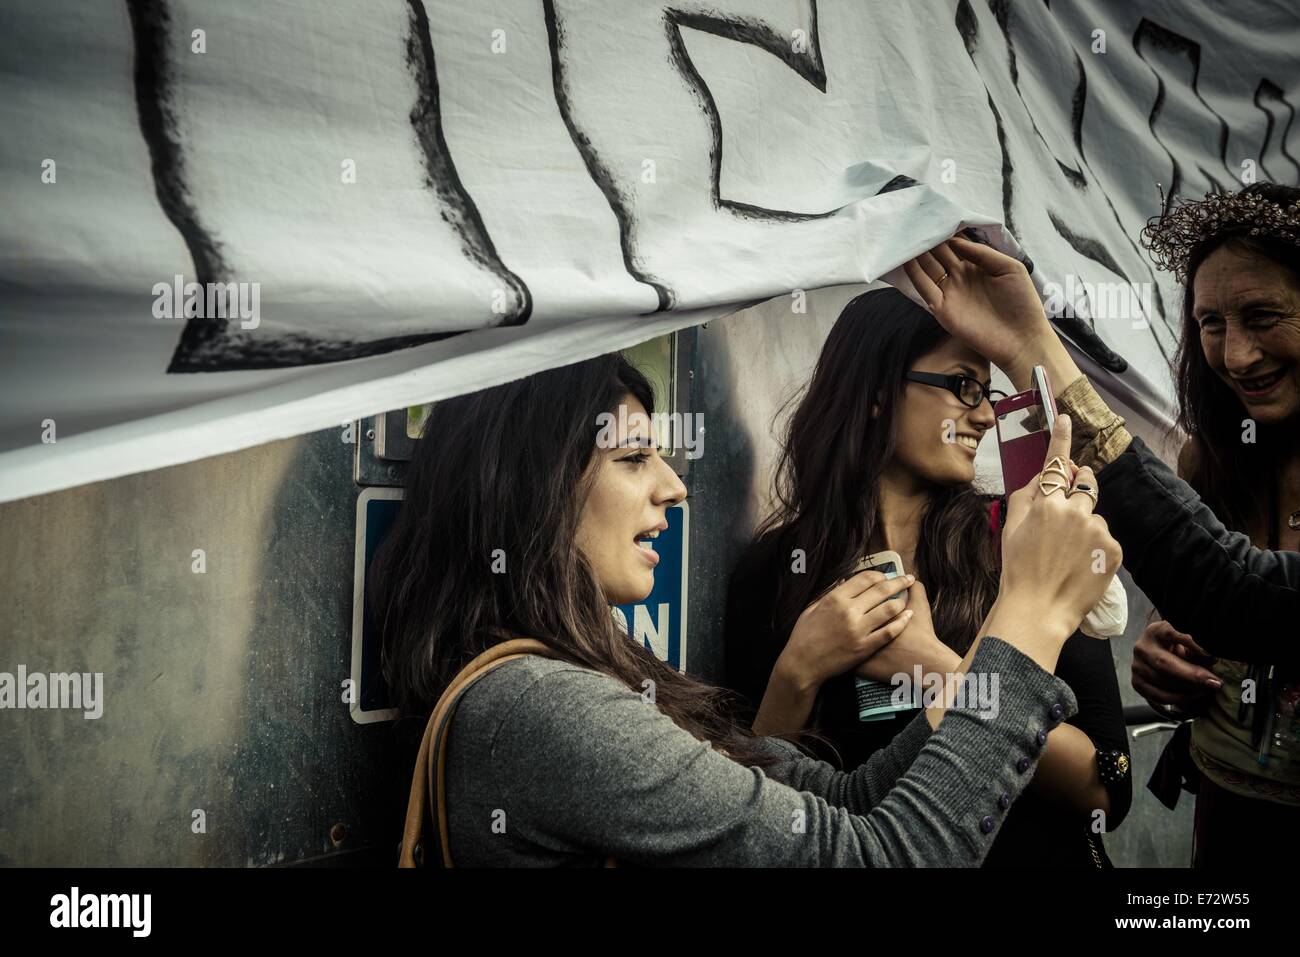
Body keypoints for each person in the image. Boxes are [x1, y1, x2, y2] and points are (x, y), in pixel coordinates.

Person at [370, 352, 1120, 866]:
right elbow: (882, 856)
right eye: (633, 459)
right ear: (530, 486)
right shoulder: (536, 706)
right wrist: (1030, 614)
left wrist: (963, 653)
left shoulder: (586, 673)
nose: (674, 486)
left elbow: (842, 798)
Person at [902, 183, 1300, 865]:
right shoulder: (1215, 461)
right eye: (1210, 324)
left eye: (1264, 316)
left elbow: (1239, 596)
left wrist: (1035, 345)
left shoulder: (1033, 537)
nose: (1236, 355)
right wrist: (1174, 657)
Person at [725, 288, 1131, 867]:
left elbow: (1105, 789)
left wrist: (930, 666)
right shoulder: (775, 572)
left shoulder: (1018, 542)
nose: (988, 413)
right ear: (876, 391)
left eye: (988, 393)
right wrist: (797, 673)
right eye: (964, 385)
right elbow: (750, 804)